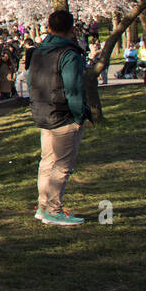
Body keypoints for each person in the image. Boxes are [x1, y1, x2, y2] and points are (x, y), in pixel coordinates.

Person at [28, 11, 92, 226]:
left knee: (47, 161)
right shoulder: (68, 54)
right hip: (63, 115)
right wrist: (78, 115)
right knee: (63, 164)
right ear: (72, 29)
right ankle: (53, 209)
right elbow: (73, 88)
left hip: (44, 112)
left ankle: (43, 205)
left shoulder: (39, 51)